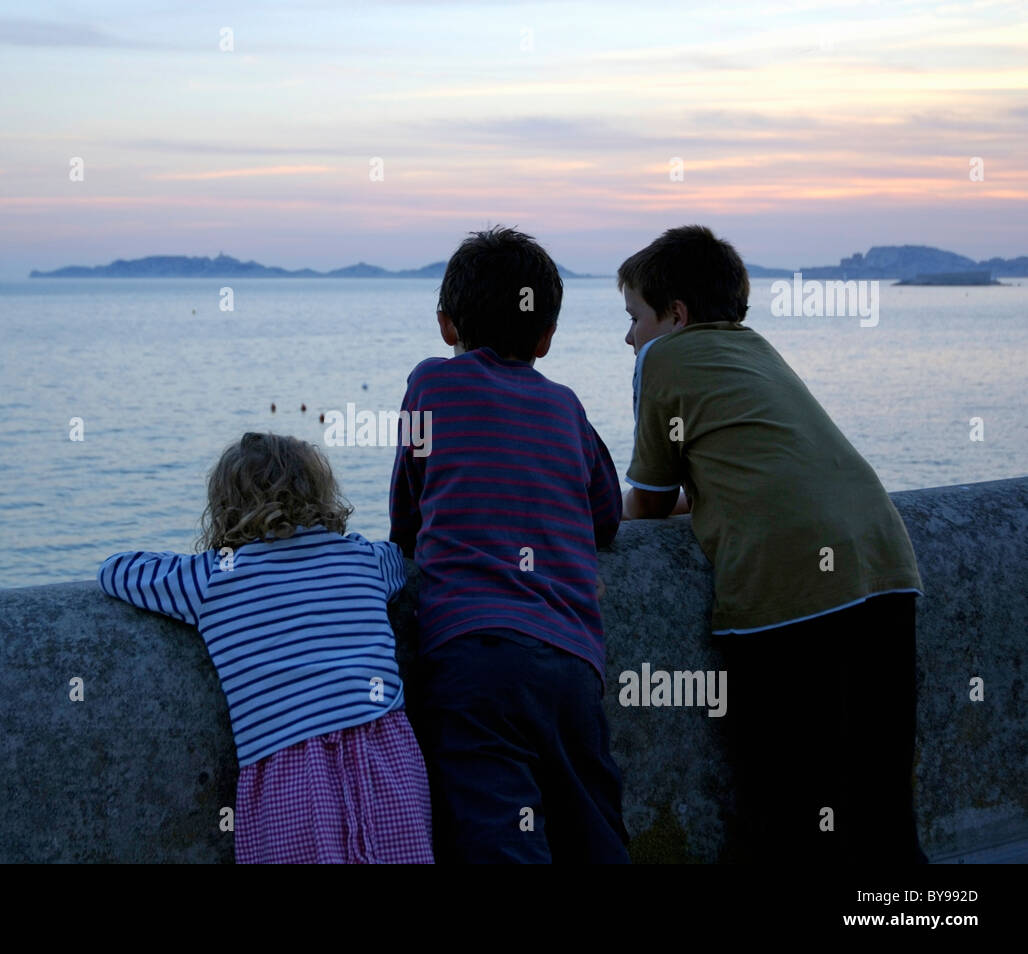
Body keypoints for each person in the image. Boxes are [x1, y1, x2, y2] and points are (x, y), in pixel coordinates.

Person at [618, 224, 927, 863]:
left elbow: (647, 503)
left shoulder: (664, 358)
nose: (630, 337)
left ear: (675, 315)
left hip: (788, 587)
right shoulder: (756, 348)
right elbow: (752, 471)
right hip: (885, 562)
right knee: (882, 803)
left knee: (787, 802)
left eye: (635, 317)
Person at [389, 225, 630, 863]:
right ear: (546, 337)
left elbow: (405, 518)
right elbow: (605, 515)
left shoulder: (429, 386)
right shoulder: (566, 407)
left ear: (447, 325)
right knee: (595, 831)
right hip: (571, 660)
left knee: (499, 839)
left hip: (473, 657)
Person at [99, 432, 433, 864]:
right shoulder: (363, 560)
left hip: (288, 771)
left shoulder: (211, 578)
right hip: (386, 753)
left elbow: (116, 571)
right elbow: (398, 559)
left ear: (224, 506)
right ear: (319, 491)